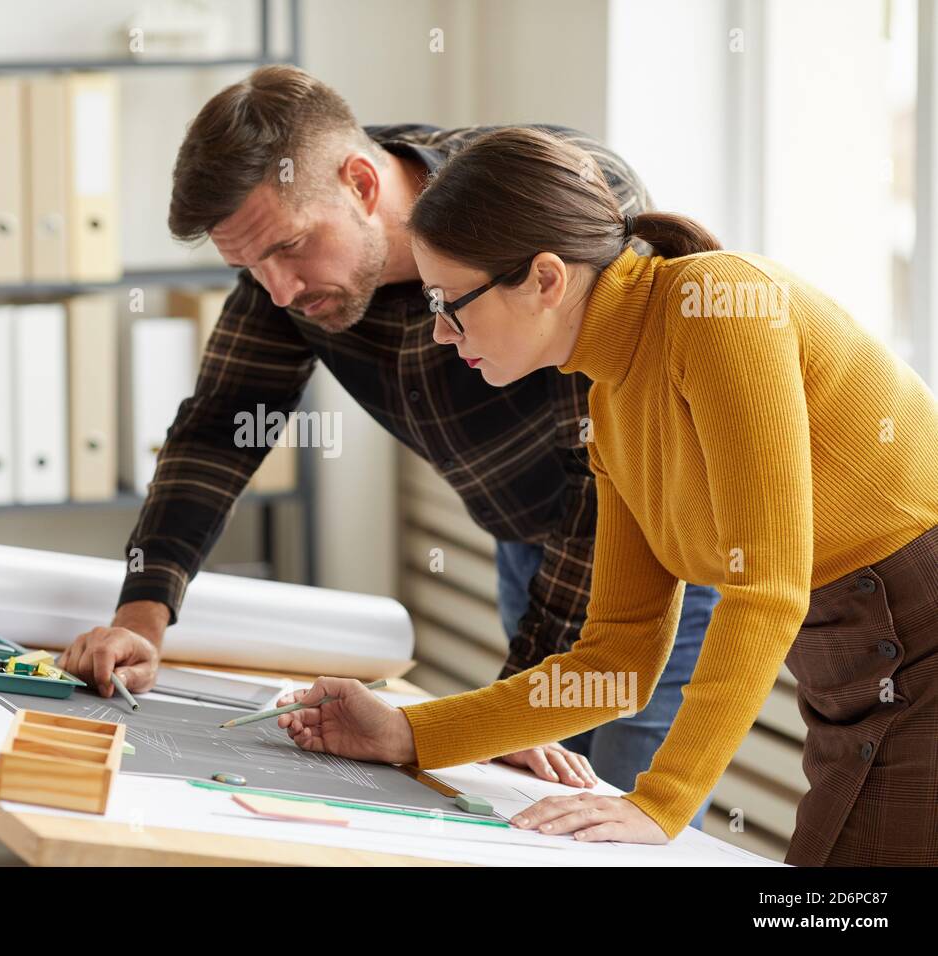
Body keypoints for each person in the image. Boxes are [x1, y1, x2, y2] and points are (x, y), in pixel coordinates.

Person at [55, 65, 722, 813]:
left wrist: (510, 705)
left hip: (656, 548)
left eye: (289, 249)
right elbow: (219, 430)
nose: (279, 291)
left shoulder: (546, 202)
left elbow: (598, 482)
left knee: (616, 817)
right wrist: (141, 618)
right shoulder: (289, 265)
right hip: (526, 545)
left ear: (362, 185)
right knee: (531, 809)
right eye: (250, 267)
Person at [276, 126, 938, 865]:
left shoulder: (719, 307)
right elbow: (614, 661)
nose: (437, 332)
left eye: (449, 301)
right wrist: (410, 733)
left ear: (546, 279)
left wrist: (661, 804)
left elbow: (768, 588)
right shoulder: (610, 400)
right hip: (854, 663)